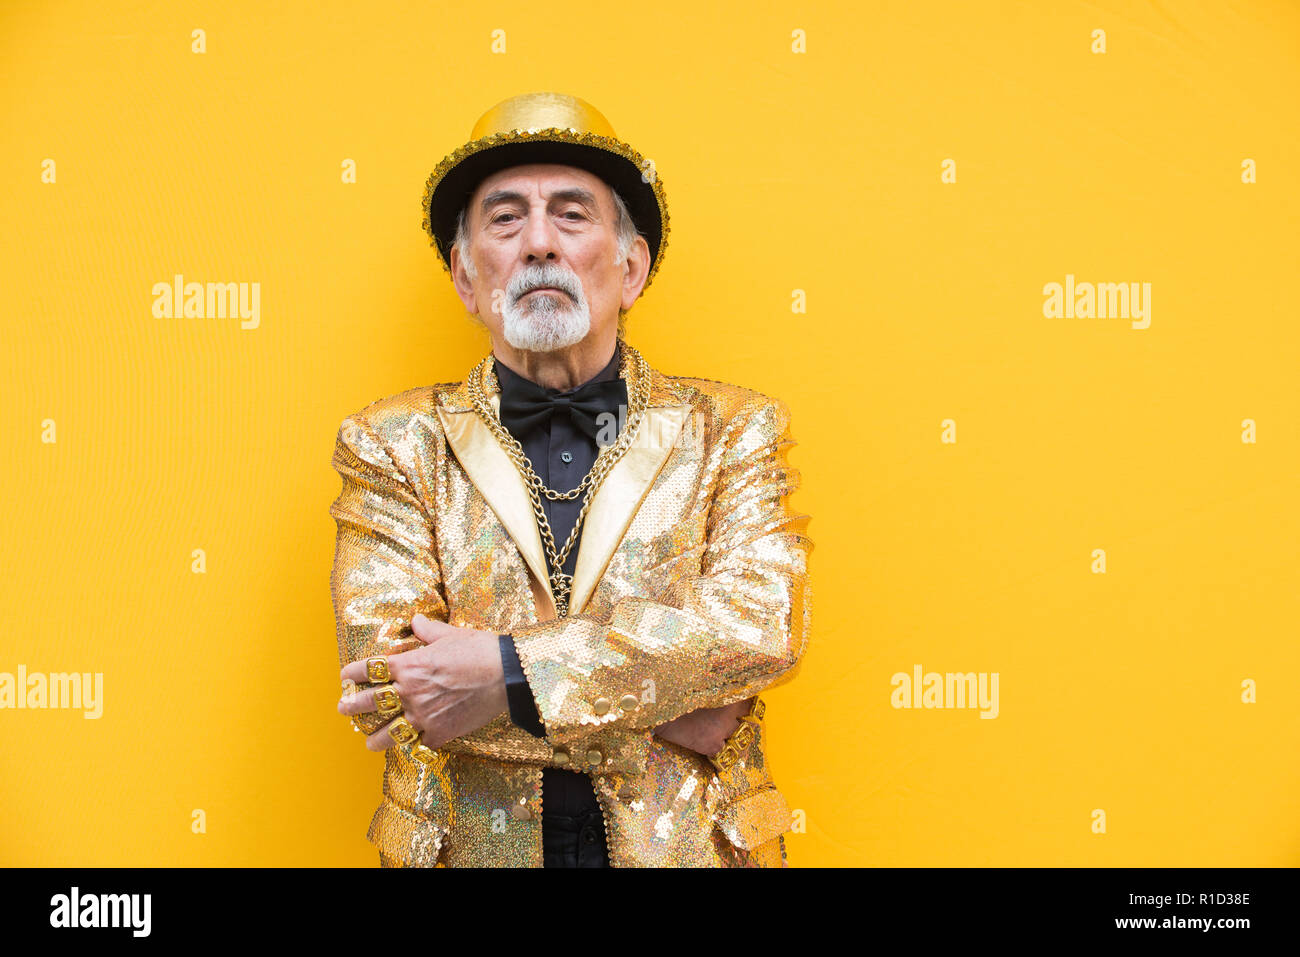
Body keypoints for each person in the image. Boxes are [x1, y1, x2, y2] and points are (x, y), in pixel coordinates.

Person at [329, 91, 813, 867]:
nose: (540, 244)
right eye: (506, 218)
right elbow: (397, 687)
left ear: (631, 266)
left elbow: (759, 632)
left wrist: (503, 673)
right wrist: (675, 695)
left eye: (573, 214)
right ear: (464, 275)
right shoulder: (390, 443)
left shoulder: (734, 428)